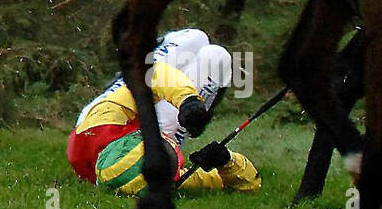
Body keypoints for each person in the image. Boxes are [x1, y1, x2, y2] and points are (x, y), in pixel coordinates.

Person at [68, 28, 261, 193]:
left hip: (110, 114)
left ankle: (133, 71)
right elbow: (248, 184)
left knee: (196, 37)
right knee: (217, 56)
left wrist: (188, 100)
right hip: (138, 130)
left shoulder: (101, 121)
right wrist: (226, 160)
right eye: (171, 154)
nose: (176, 152)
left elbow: (153, 74)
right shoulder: (166, 176)